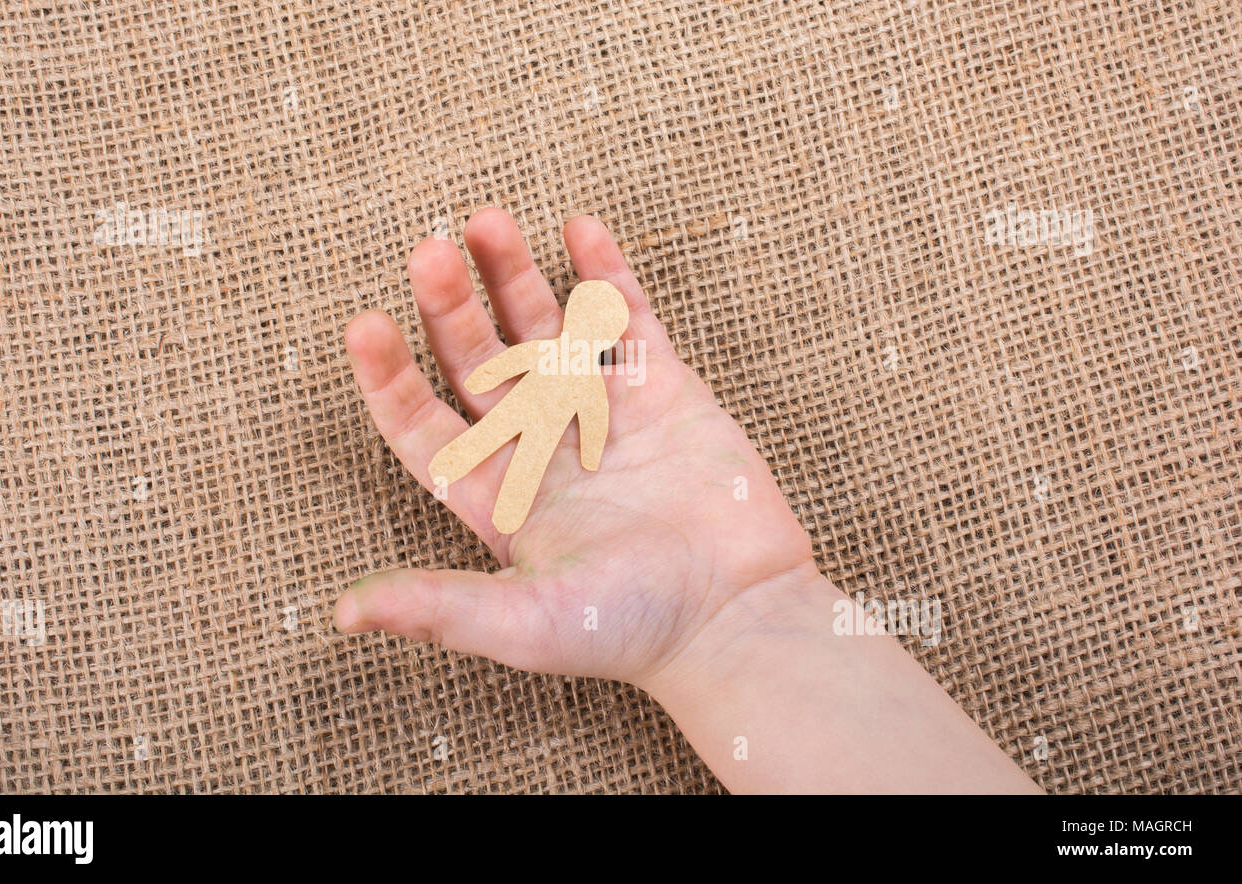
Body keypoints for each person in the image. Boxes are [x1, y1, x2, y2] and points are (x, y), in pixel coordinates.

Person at [336, 208, 1041, 794]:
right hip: (531, 418)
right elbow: (525, 372)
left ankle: (481, 461)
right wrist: (739, 621)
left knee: (497, 459)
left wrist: (720, 623)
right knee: (483, 447)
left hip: (535, 424)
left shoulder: (577, 368)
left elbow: (575, 413)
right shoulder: (568, 362)